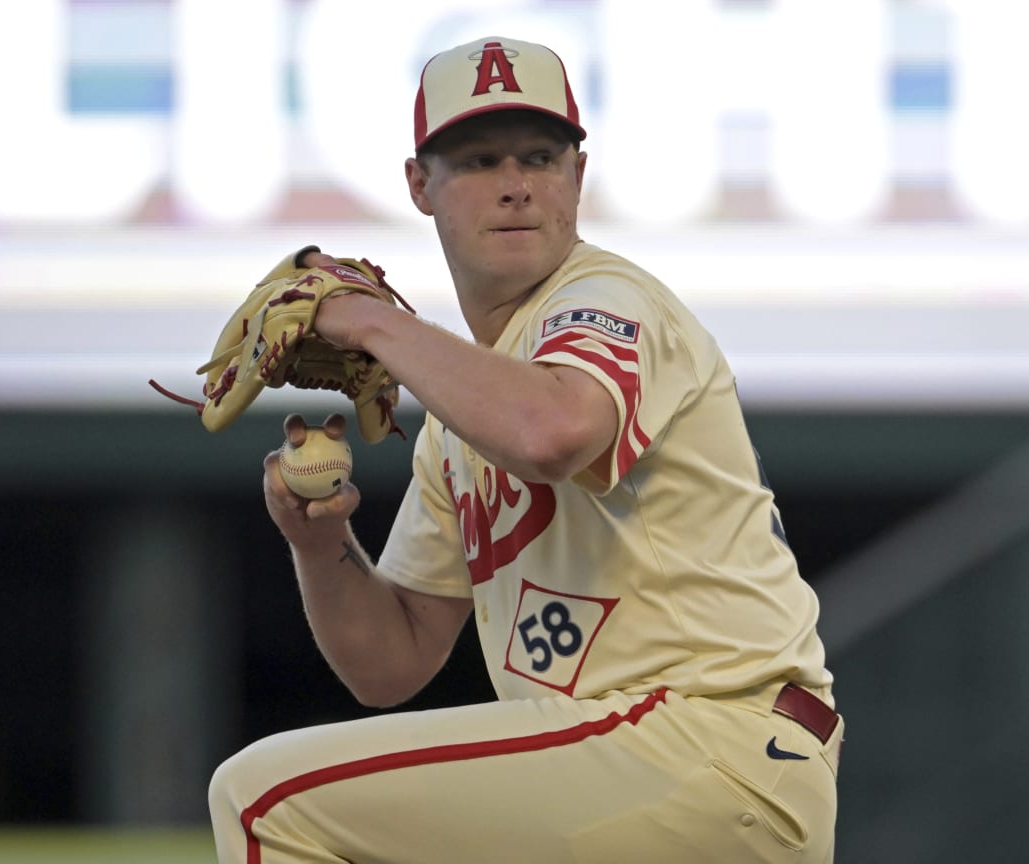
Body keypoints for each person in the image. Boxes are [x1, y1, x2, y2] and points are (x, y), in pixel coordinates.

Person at [206, 35, 842, 863]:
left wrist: (369, 319)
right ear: (419, 186)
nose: (514, 186)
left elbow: (553, 432)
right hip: (646, 778)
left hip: (705, 740)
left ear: (577, 177)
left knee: (264, 801)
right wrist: (319, 543)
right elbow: (390, 663)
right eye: (477, 161)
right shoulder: (462, 418)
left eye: (540, 157)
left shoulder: (605, 297)